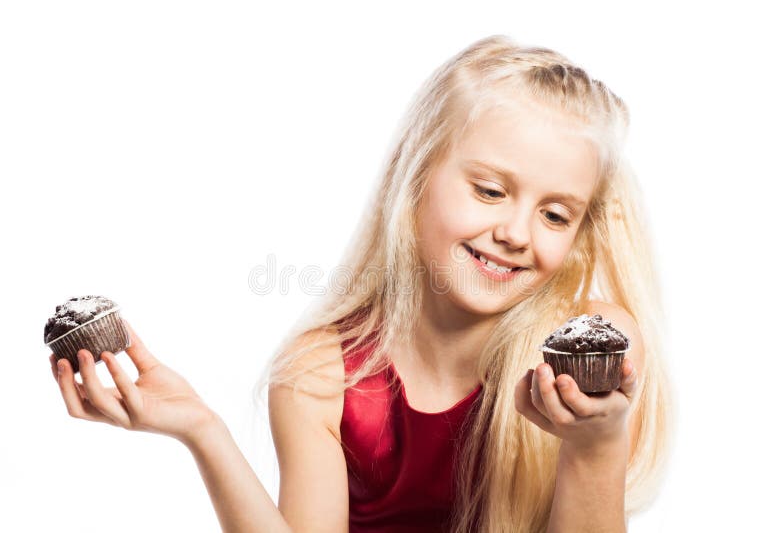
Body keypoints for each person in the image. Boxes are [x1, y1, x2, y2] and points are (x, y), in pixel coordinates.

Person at [50, 34, 674, 532]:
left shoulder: (588, 351)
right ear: (417, 175)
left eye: (554, 214)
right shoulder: (325, 375)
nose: (516, 231)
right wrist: (202, 430)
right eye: (489, 190)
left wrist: (596, 445)